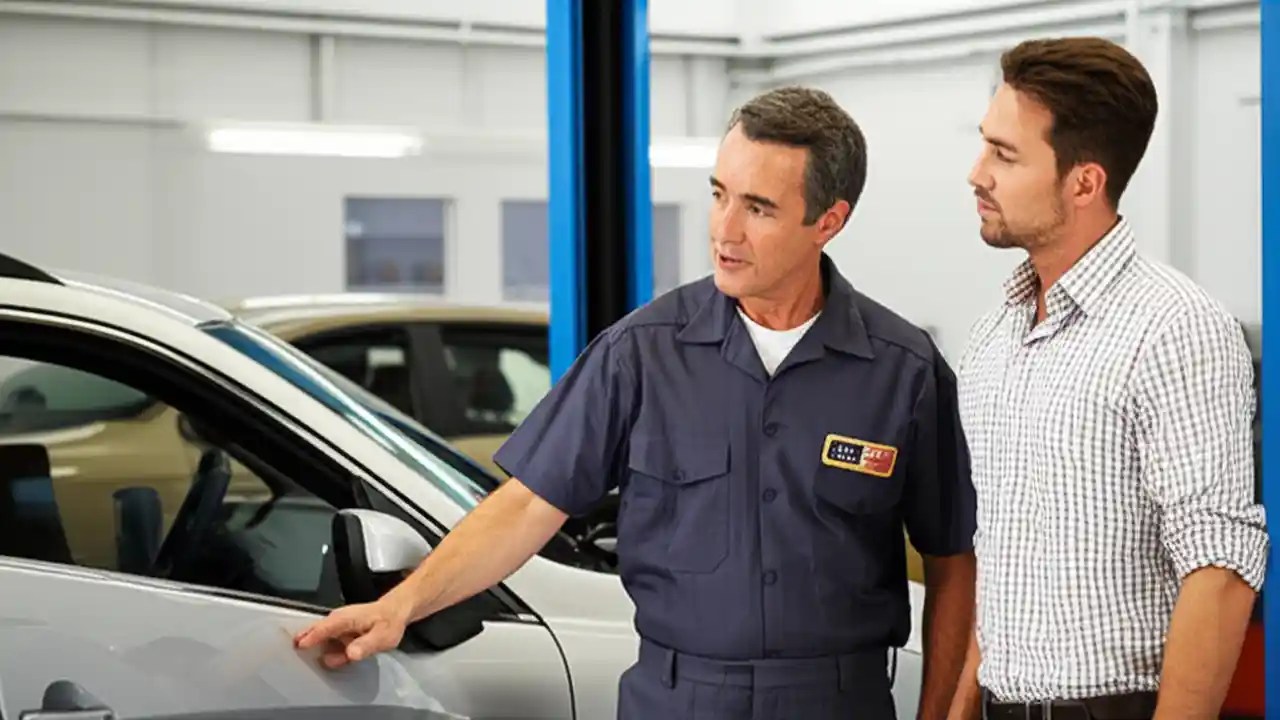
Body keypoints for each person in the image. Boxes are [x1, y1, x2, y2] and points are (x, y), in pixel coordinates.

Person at [294, 85, 978, 720]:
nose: (725, 230)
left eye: (758, 208)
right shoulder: (641, 354)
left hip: (840, 700)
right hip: (677, 698)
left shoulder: (904, 371)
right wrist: (401, 605)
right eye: (720, 194)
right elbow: (529, 504)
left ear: (827, 221)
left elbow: (952, 561)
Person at [947, 37, 1268, 720]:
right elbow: (1001, 552)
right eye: (985, 146)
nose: (977, 174)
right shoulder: (994, 334)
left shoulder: (1176, 329)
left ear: (1085, 182)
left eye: (1005, 155)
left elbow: (1220, 569)